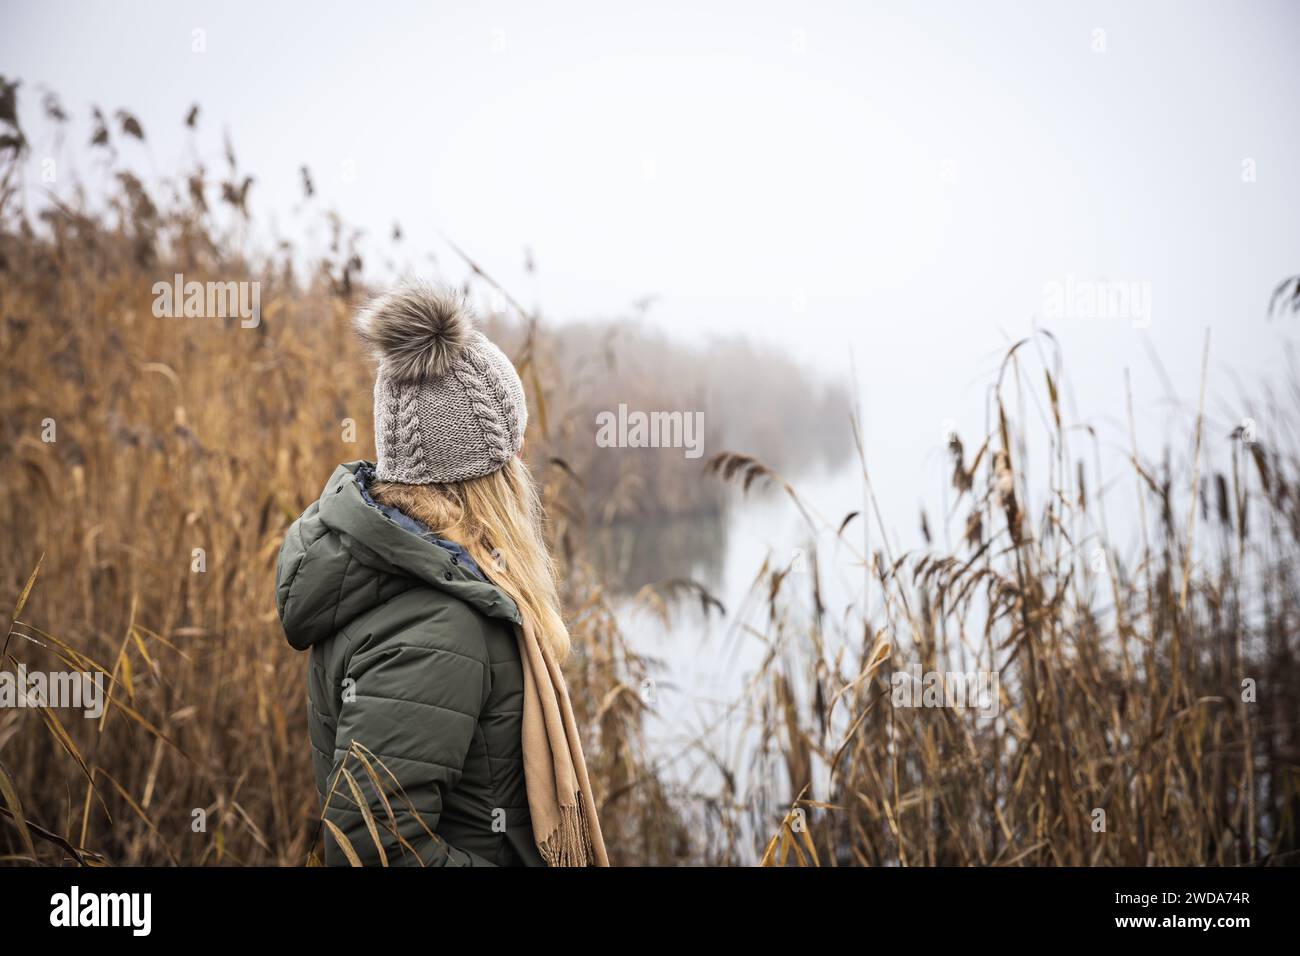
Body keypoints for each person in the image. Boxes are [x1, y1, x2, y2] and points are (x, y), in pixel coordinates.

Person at [275, 281, 608, 866]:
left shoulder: (436, 578)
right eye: (513, 447)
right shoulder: (439, 623)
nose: (523, 460)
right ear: (493, 471)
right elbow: (375, 852)